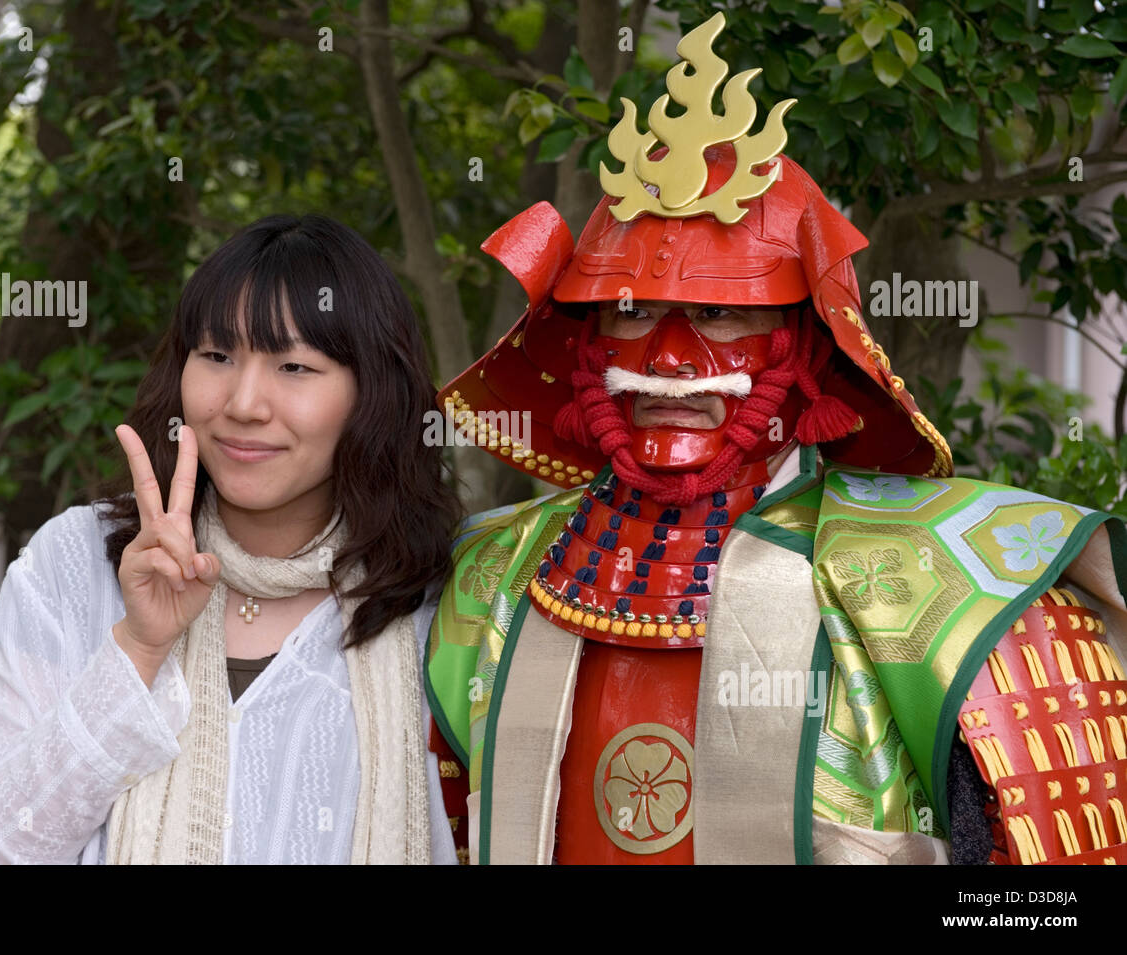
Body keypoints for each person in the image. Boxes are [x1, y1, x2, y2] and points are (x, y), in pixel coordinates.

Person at [424, 13, 1127, 865]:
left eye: (721, 312)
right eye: (633, 312)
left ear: (807, 345)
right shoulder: (489, 575)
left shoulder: (959, 581)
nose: (671, 360)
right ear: (585, 341)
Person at [0, 213, 464, 863]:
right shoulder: (73, 567)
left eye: (294, 366)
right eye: (217, 356)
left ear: (373, 393)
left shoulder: (446, 610)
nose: (243, 402)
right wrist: (136, 650)